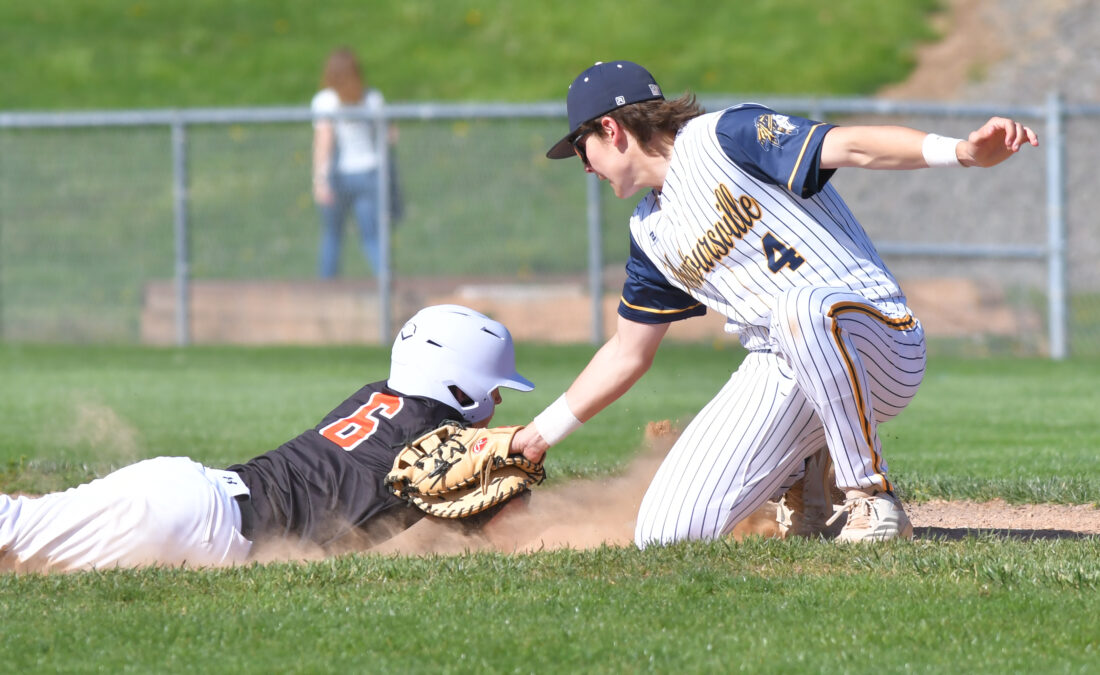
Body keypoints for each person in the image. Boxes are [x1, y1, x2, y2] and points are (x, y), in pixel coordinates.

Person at [510, 60, 1038, 546]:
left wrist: (962, 153)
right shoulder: (649, 231)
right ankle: (803, 469)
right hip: (783, 365)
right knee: (667, 533)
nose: (583, 166)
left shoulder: (724, 136)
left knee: (798, 308)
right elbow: (628, 351)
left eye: (581, 148)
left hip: (877, 337)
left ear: (611, 128)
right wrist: (537, 436)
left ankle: (871, 499)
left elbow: (851, 146)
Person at [0, 305, 534, 572]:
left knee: (22, 536)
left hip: (190, 494)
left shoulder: (377, 396)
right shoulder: (436, 444)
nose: (498, 402)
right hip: (200, 526)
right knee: (17, 541)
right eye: (491, 389)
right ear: (457, 384)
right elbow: (517, 539)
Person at [311, 47, 394, 278]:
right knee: (371, 237)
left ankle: (326, 292)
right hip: (370, 173)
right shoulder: (372, 98)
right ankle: (386, 285)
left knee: (332, 236)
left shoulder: (325, 101)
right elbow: (390, 135)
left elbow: (324, 141)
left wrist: (319, 180)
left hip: (338, 176)